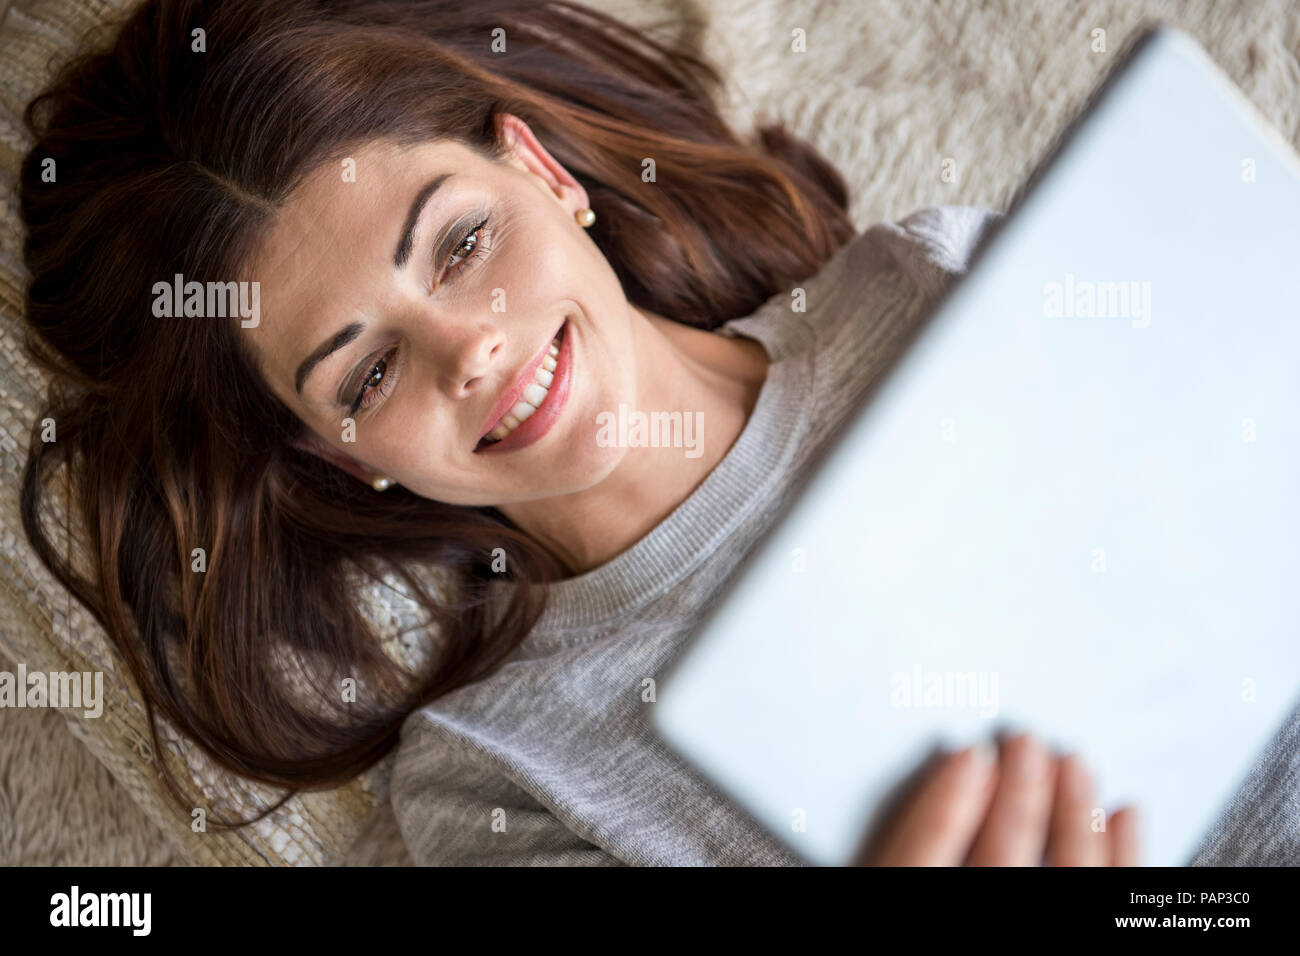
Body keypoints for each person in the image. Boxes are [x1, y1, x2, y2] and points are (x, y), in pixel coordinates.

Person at [17, 0, 1136, 865]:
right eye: (367, 371)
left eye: (459, 244)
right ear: (338, 452)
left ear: (543, 173)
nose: (471, 352)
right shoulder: (501, 783)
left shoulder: (938, 279)